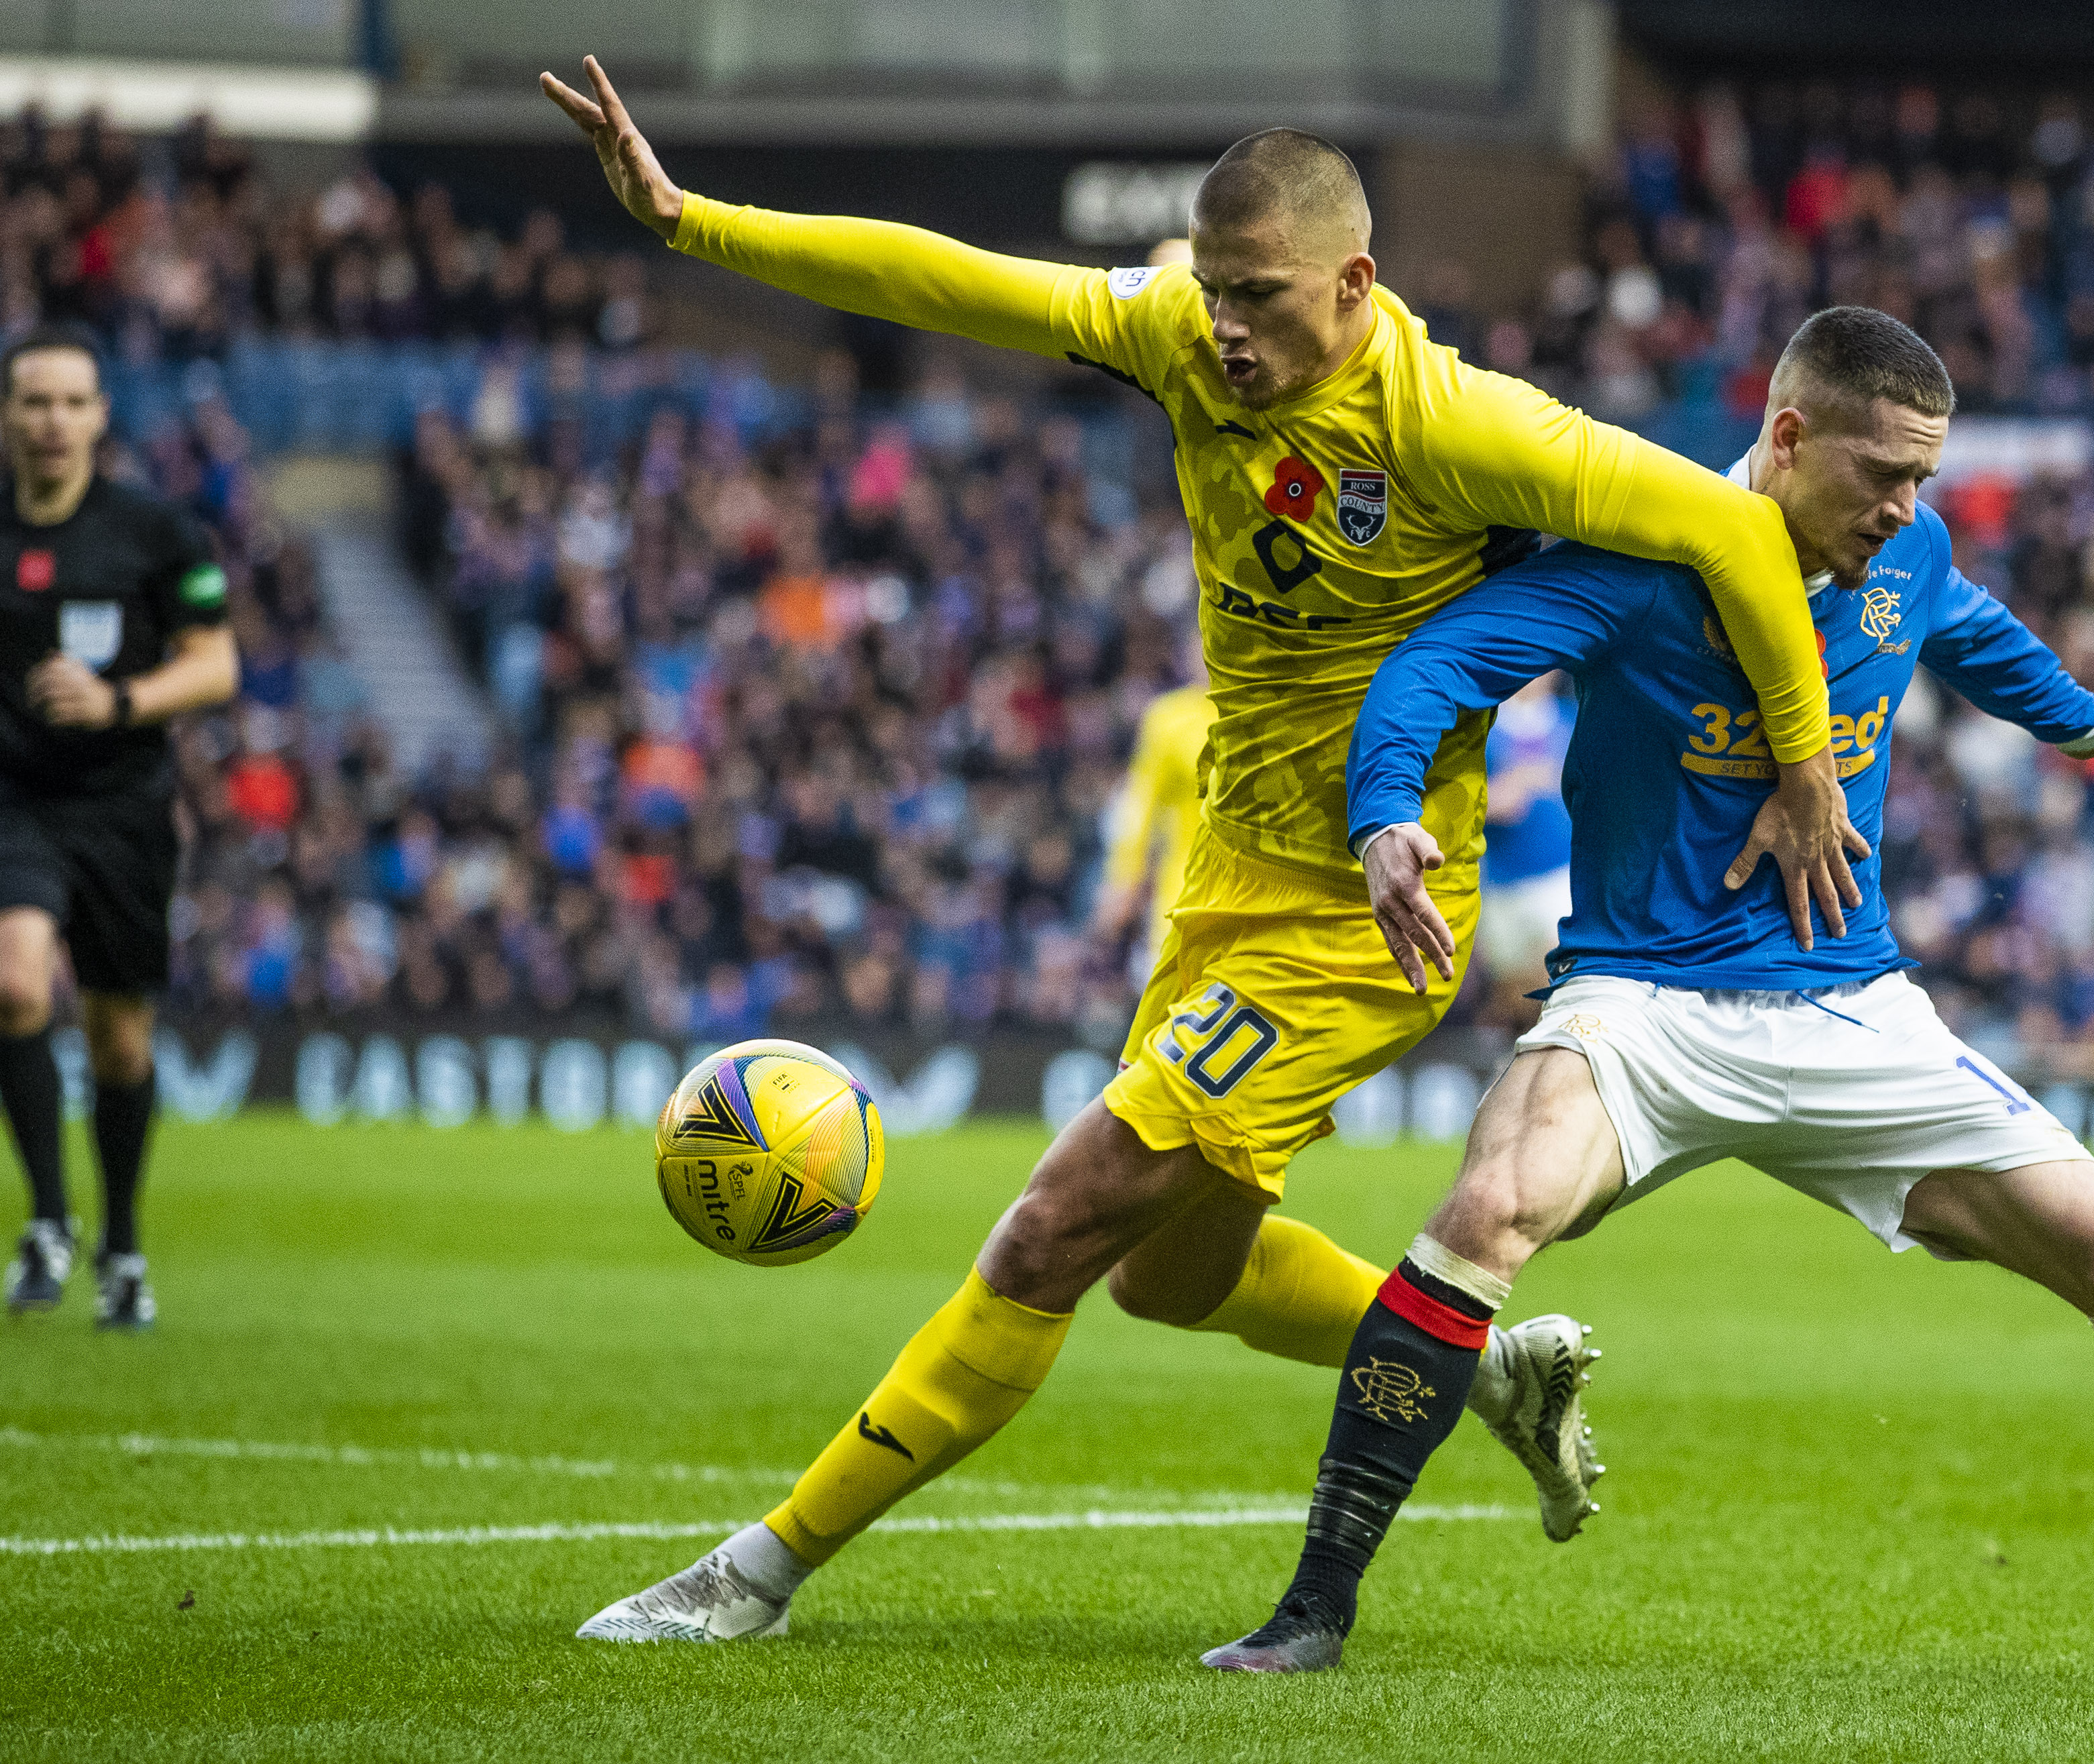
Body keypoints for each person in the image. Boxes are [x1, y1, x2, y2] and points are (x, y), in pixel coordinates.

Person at [543, 57, 1853, 1640]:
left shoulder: (1455, 424)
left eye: (1260, 296)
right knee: (1167, 1275)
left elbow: (1722, 527)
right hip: (1227, 878)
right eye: (1213, 289)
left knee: (1054, 1220)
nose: (1225, 325)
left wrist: (1802, 767)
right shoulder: (1176, 336)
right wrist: (693, 223)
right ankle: (1482, 1357)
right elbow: (952, 283)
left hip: (1370, 911)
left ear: (1354, 282)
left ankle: (754, 1569)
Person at [1203, 307, 2094, 1706]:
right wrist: (1386, 814)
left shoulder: (1908, 551)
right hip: (1642, 1005)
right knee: (1484, 1217)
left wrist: (2082, 716)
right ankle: (1311, 1610)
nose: (1903, 510)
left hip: (1850, 1007)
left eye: (1922, 481)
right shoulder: (1641, 552)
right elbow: (1438, 661)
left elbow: (1962, 624)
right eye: (1880, 474)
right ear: (1784, 437)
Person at [0, 325, 239, 1329]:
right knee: (14, 984)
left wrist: (119, 701)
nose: (52, 421)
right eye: (33, 402)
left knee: (119, 1043)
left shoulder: (157, 532)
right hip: (15, 801)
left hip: (124, 808)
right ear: (10, 417)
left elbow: (216, 664)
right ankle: (49, 1218)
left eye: (70, 402)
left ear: (101, 415)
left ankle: (124, 1240)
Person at [1087, 630, 1215, 983]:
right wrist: (1122, 881)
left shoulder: (1261, 710)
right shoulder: (1167, 719)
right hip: (1183, 889)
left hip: (1255, 889)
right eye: (1197, 645)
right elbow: (1139, 809)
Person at [1473, 673, 1573, 1029]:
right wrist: (1495, 799)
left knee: (1557, 977)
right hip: (1502, 885)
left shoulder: (1573, 719)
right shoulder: (1483, 726)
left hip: (1562, 878)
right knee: (1513, 998)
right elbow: (1452, 805)